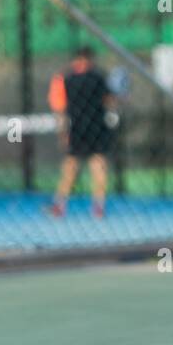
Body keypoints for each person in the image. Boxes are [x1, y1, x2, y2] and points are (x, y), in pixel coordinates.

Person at [47, 45, 113, 219]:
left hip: (76, 128)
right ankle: (98, 207)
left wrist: (63, 133)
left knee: (70, 167)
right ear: (90, 59)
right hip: (97, 127)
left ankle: (59, 206)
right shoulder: (99, 77)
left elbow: (60, 109)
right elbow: (109, 101)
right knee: (98, 164)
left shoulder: (65, 79)